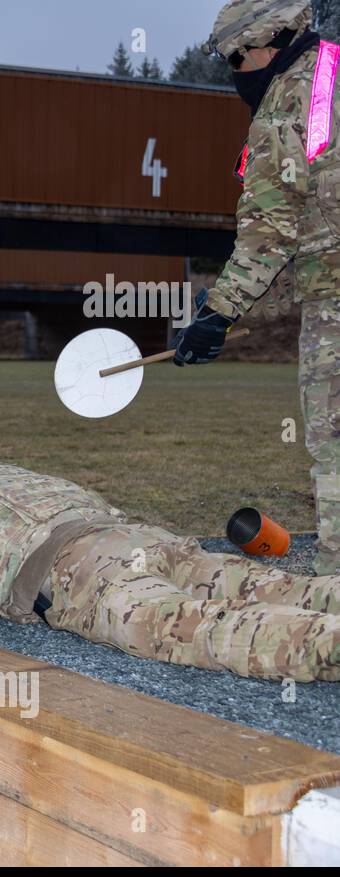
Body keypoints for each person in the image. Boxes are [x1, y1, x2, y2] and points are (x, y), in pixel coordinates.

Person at [0, 414, 340, 682]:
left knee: (205, 630)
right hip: (148, 540)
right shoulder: (4, 472)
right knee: (279, 586)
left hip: (85, 573)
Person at [174, 0, 340, 574]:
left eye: (236, 61)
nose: (236, 73)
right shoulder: (335, 72)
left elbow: (270, 233)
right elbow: (319, 224)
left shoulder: (284, 106)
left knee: (335, 441)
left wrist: (217, 314)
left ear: (267, 45)